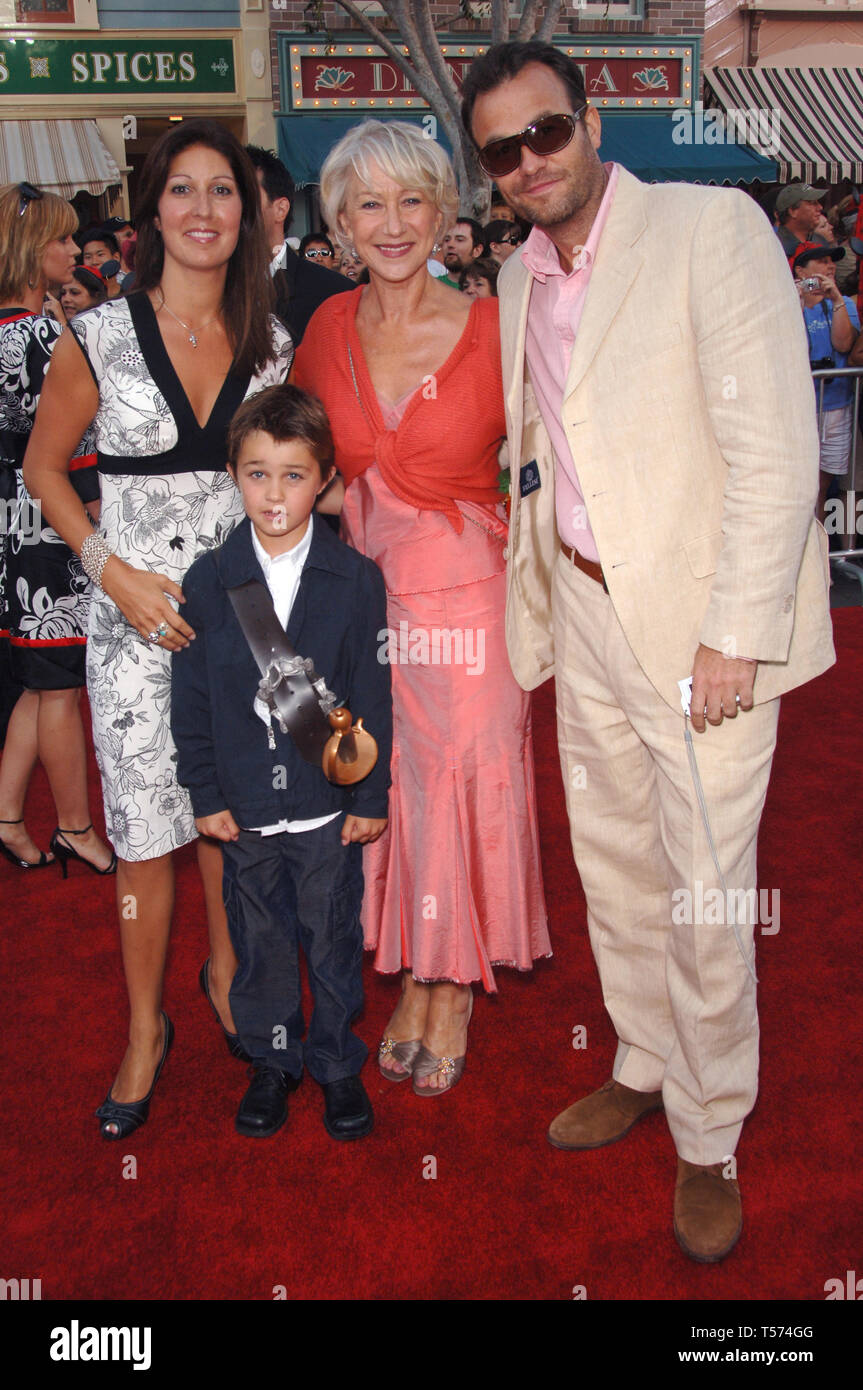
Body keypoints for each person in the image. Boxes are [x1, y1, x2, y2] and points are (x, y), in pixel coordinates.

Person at [462, 41, 835, 1260]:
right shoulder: (517, 280)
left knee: (708, 884)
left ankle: (710, 1128)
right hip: (580, 611)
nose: (528, 162)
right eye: (501, 151)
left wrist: (735, 633)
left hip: (695, 631)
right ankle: (639, 1056)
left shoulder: (706, 227)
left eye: (545, 132)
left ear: (588, 122)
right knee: (614, 858)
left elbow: (777, 447)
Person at [23, 119, 293, 1140]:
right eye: (182, 190)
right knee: (142, 839)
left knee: (231, 822)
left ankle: (228, 977)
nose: (202, 210)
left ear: (249, 211)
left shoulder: (272, 343)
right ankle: (145, 1027)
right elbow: (44, 469)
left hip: (245, 624)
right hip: (135, 624)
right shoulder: (95, 337)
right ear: (151, 212)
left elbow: (285, 479)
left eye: (221, 190)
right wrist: (112, 571)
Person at [293, 119, 550, 1097]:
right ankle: (411, 970)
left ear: (443, 214)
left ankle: (452, 989)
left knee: (465, 787)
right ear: (340, 223)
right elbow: (311, 472)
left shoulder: (494, 327)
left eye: (411, 200)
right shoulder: (324, 334)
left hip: (470, 605)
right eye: (369, 203)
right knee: (393, 793)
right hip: (370, 608)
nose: (391, 222)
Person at [171, 384, 392, 1140]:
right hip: (245, 809)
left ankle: (334, 1065)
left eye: (294, 474)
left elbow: (372, 692)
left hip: (327, 806)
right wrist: (203, 790)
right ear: (233, 474)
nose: (274, 492)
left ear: (324, 478)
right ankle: (272, 1063)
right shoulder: (208, 580)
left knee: (330, 941)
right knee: (259, 944)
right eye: (257, 472)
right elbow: (191, 698)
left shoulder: (355, 578)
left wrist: (369, 796)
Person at [0, 181, 113, 877]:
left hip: (17, 523)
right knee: (61, 690)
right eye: (64, 238)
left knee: (40, 685)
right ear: (30, 248)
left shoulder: (14, 327)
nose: (75, 248)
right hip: (52, 526)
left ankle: (9, 816)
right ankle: (75, 826)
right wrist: (103, 537)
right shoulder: (39, 334)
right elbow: (72, 446)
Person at [245, 145, 351, 346]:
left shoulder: (335, 296)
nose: (232, 207)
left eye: (245, 196)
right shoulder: (206, 293)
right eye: (225, 194)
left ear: (280, 209)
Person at [790, 241, 861, 522]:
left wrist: (837, 301)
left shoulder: (843, 303)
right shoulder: (785, 300)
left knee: (822, 484)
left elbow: (844, 345)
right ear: (800, 270)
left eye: (832, 261)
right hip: (801, 408)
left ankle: (819, 551)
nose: (829, 266)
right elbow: (791, 345)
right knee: (799, 483)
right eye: (820, 261)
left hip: (837, 406)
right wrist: (795, 300)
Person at [774, 183, 830, 256]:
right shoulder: (775, 245)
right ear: (793, 211)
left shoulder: (820, 241)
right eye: (812, 203)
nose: (820, 207)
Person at [439, 217, 486, 286]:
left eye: (459, 240)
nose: (450, 245)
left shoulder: (489, 290)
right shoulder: (429, 287)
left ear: (477, 250)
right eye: (446, 240)